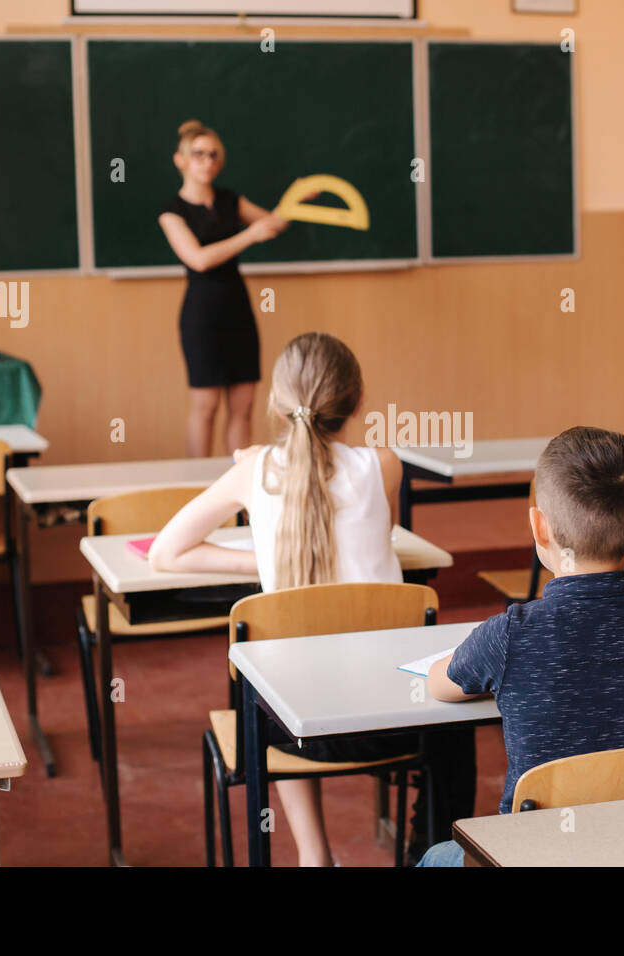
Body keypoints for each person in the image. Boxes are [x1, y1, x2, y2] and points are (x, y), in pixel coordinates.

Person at [149, 331, 471, 865]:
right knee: (455, 727)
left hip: (293, 730)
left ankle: (313, 855)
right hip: (394, 723)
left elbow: (166, 553)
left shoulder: (254, 470)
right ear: (359, 402)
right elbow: (376, 528)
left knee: (272, 674)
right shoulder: (383, 464)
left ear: (276, 404)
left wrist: (267, 557)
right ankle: (429, 852)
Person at [418, 426, 624, 866]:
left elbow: (440, 684)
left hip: (532, 854)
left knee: (436, 856)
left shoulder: (510, 633)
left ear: (538, 525)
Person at [158, 120, 287, 459]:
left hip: (237, 308)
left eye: (213, 155)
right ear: (181, 160)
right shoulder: (172, 212)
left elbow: (275, 222)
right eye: (198, 154)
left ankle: (240, 483)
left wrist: (297, 198)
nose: (207, 161)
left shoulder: (230, 200)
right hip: (202, 314)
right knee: (206, 405)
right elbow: (198, 260)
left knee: (243, 404)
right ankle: (197, 487)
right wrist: (250, 235)